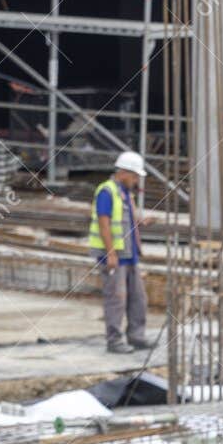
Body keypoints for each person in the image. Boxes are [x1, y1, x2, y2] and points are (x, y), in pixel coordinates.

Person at [88, 150, 148, 354]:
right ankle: (114, 341)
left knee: (137, 297)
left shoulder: (125, 194)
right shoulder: (107, 191)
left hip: (130, 255)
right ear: (123, 172)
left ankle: (136, 336)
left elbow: (125, 222)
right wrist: (111, 254)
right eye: (134, 176)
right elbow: (104, 224)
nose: (136, 180)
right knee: (116, 299)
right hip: (115, 257)